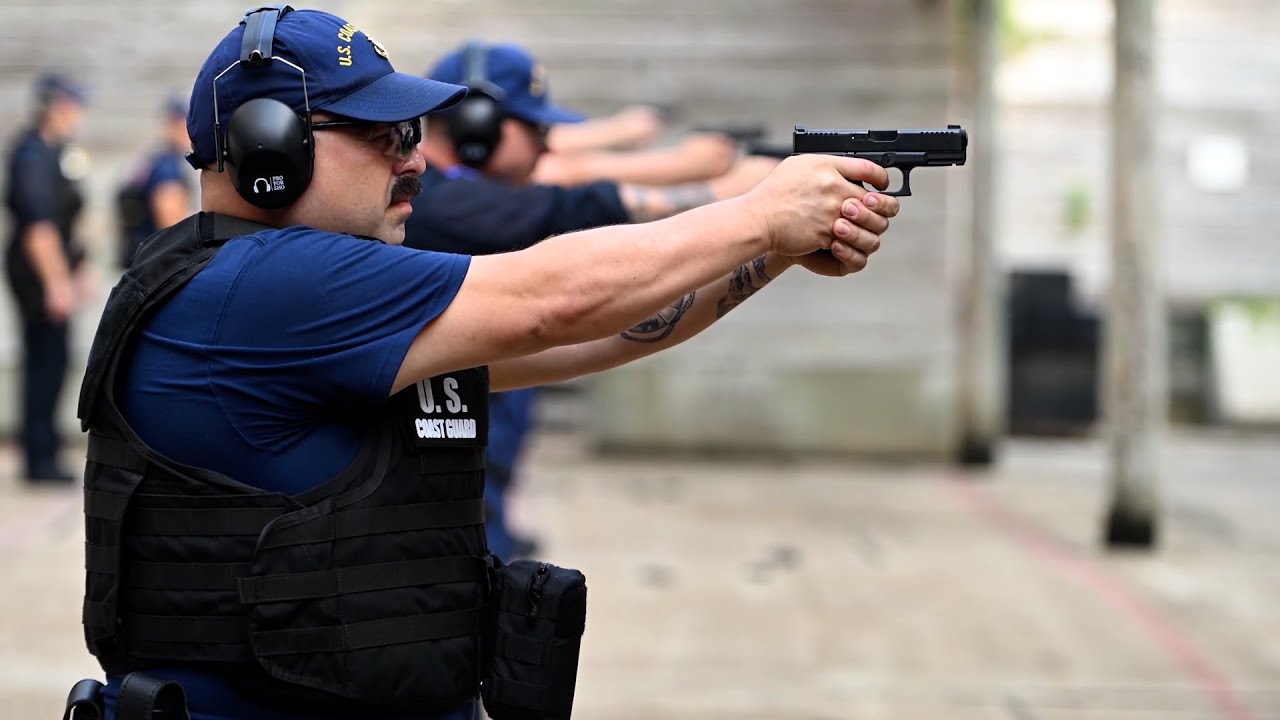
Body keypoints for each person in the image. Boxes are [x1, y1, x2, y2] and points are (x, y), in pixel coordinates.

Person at [74, 7, 898, 720]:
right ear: (270, 144)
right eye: (384, 135)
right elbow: (553, 299)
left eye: (413, 134)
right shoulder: (267, 284)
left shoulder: (302, 293)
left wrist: (781, 249)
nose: (415, 159)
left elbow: (594, 336)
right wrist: (759, 215)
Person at [406, 40, 778, 560]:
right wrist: (732, 200)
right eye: (534, 130)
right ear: (478, 124)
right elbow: (566, 197)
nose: (546, 146)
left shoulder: (449, 193)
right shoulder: (433, 200)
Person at [3, 71, 90, 483]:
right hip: (36, 272)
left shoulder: (58, 151)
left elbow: (71, 220)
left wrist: (81, 267)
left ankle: (45, 449)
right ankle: (39, 458)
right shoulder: (32, 154)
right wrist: (57, 282)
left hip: (54, 269)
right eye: (71, 105)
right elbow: (38, 227)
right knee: (44, 360)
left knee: (53, 360)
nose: (77, 113)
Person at [116, 96, 195, 267]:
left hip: (142, 259)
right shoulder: (167, 168)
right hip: (156, 264)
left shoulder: (156, 160)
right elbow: (173, 227)